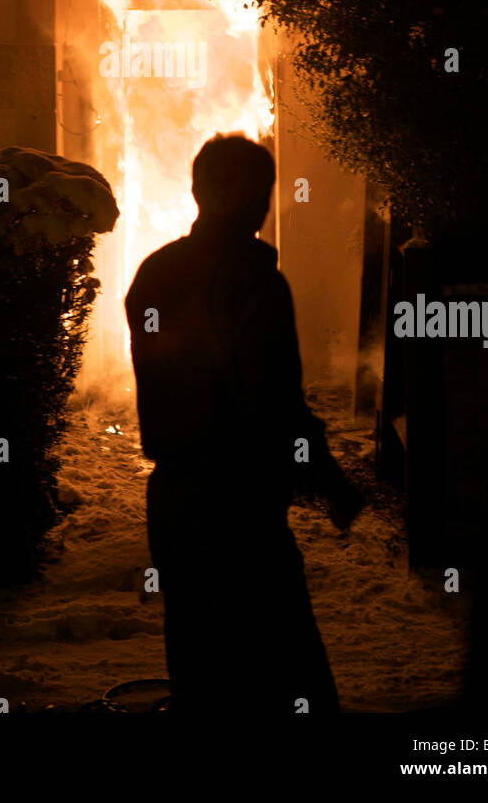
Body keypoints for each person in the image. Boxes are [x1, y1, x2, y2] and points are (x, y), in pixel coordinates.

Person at [125, 133, 364, 716]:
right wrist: (323, 473)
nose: (264, 205)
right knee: (284, 664)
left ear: (196, 190)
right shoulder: (254, 283)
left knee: (201, 661)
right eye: (261, 191)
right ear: (246, 196)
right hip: (240, 502)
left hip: (178, 498)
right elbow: (270, 397)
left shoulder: (154, 274)